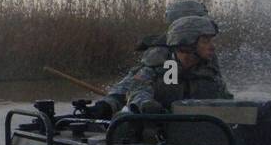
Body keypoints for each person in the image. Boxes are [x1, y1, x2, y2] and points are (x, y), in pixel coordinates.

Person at [96, 15, 232, 115]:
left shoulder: (209, 72)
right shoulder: (161, 68)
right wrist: (146, 104)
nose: (212, 47)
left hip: (202, 135)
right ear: (186, 43)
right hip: (161, 129)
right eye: (205, 41)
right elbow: (138, 89)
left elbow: (226, 102)